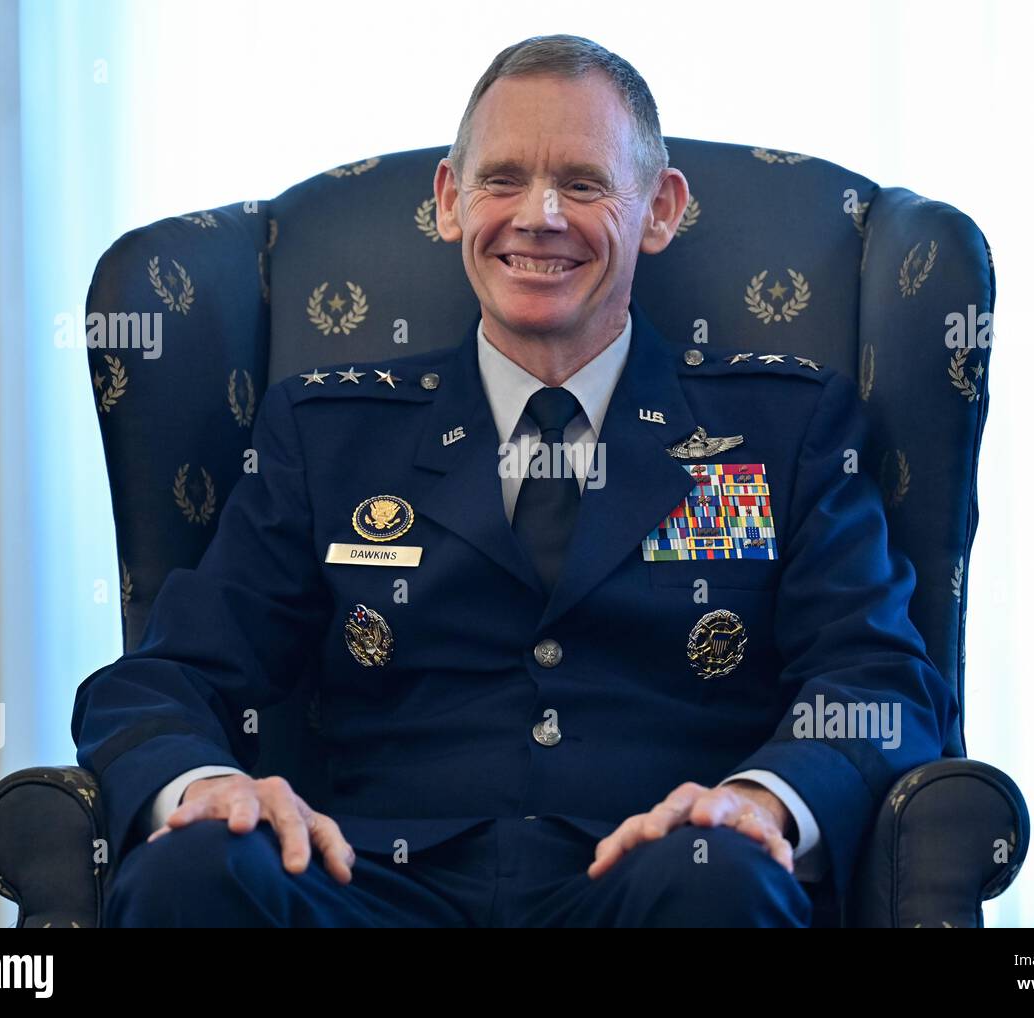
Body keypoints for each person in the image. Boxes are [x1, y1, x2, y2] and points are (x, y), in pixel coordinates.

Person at [72, 33, 957, 928]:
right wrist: (213, 785)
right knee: (192, 872)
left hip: (652, 872)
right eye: (501, 180)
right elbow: (164, 676)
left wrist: (761, 803)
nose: (539, 215)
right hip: (369, 886)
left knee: (721, 879)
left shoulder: (786, 427)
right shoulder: (327, 433)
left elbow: (879, 679)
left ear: (659, 209)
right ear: (452, 203)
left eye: (583, 182)